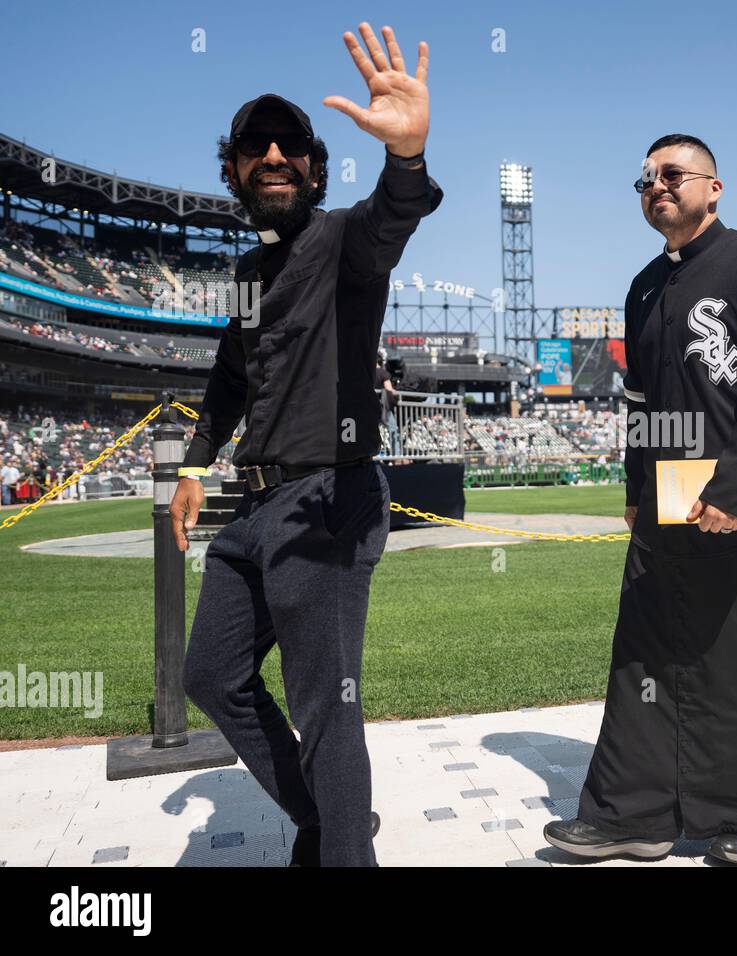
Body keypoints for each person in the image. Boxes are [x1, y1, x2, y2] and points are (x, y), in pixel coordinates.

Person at [168, 22, 442, 866]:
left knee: (327, 704)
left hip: (328, 498)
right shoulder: (250, 275)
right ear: (234, 171)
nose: (275, 155)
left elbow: (393, 220)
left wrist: (406, 157)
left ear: (316, 171)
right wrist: (192, 463)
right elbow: (229, 378)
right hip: (253, 509)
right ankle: (333, 822)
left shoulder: (341, 245)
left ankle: (342, 847)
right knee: (211, 676)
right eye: (257, 146)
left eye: (292, 147)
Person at [544, 134, 737, 866]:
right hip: (668, 504)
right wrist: (636, 489)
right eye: (644, 180)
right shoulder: (643, 286)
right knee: (642, 656)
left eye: (671, 174)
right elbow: (641, 404)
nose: (657, 187)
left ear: (715, 185)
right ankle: (630, 813)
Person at [375, 353, 401, 456]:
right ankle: (397, 456)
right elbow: (389, 390)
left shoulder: (366, 373)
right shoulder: (383, 373)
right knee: (393, 430)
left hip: (370, 407)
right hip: (383, 407)